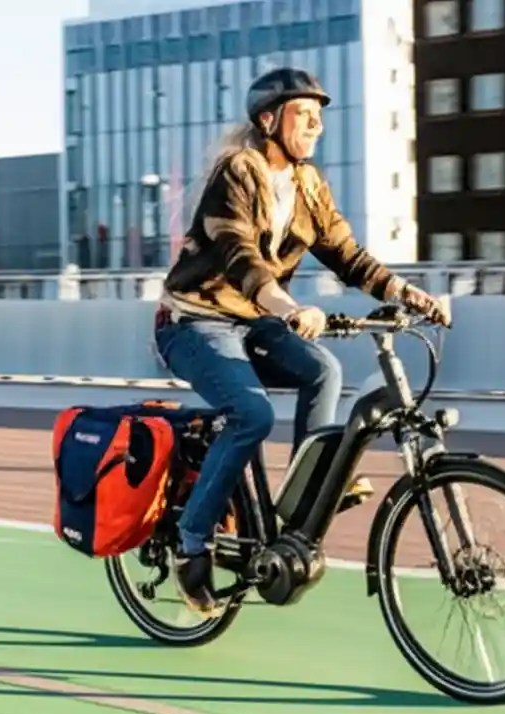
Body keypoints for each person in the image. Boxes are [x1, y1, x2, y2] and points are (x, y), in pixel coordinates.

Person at [153, 67, 450, 617]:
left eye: (320, 115)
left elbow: (347, 254)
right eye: (304, 114)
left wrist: (411, 295)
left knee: (324, 371)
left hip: (256, 320)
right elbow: (239, 256)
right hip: (195, 321)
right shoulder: (237, 173)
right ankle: (191, 545)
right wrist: (289, 308)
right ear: (269, 120)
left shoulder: (309, 184)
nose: (316, 124)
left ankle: (303, 500)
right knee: (251, 414)